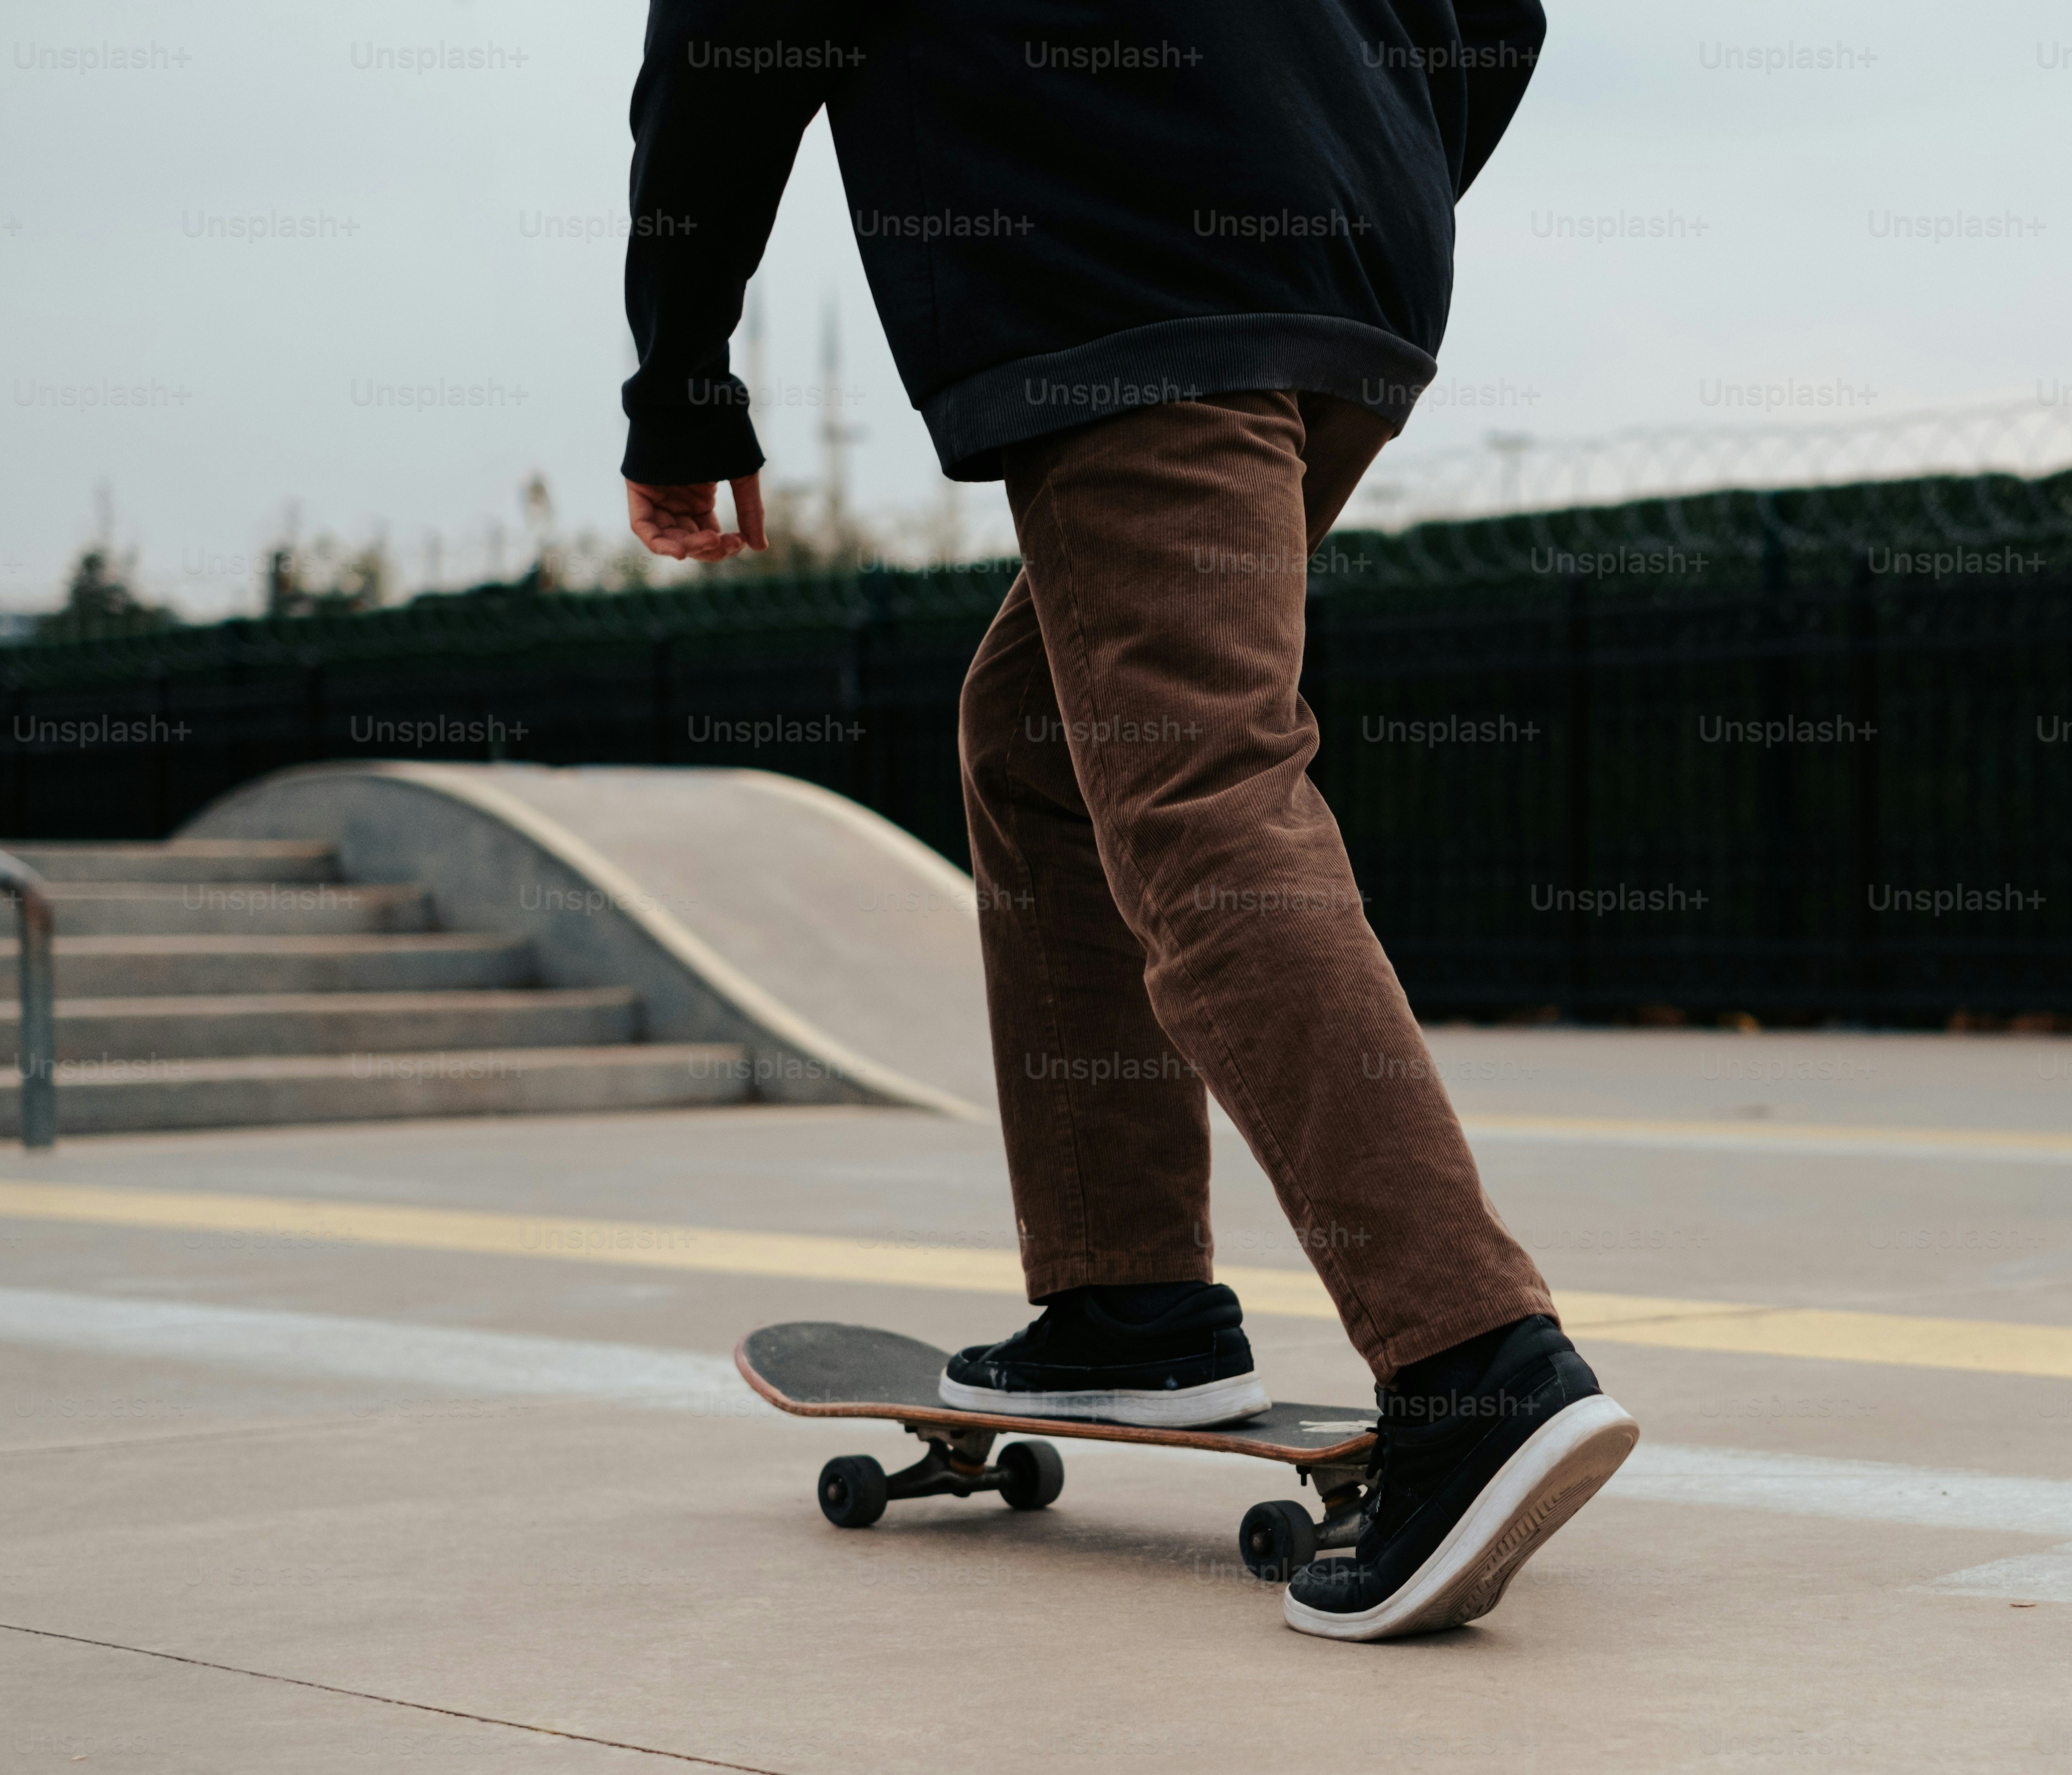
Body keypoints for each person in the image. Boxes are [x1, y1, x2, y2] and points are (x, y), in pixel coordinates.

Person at [614, 0, 1633, 1642]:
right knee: (1037, 743)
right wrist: (1339, 149)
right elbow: (1496, 13)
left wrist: (679, 377)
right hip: (1337, 273)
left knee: (1201, 791)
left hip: (1129, 265)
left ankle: (1475, 1360)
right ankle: (1127, 1299)